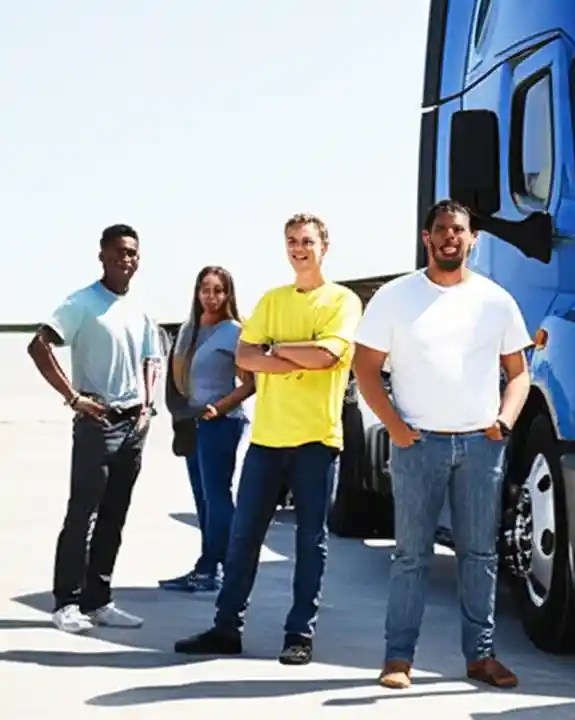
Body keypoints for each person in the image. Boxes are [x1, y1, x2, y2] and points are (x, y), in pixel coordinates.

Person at [353, 199, 531, 690]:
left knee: (480, 556)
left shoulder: (496, 301)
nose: (450, 237)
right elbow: (365, 370)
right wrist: (396, 427)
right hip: (417, 447)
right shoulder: (394, 297)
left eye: (459, 230)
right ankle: (398, 660)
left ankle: (481, 657)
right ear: (427, 238)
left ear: (473, 239)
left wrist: (504, 420)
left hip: (481, 445)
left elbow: (518, 374)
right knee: (411, 555)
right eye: (442, 230)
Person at [174, 213, 362, 665]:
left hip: (316, 441)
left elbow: (328, 355)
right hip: (267, 440)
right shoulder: (271, 301)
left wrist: (274, 352)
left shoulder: (342, 300)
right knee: (243, 538)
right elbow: (244, 355)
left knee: (309, 542)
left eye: (308, 241)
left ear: (325, 246)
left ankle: (299, 634)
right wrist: (292, 353)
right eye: (292, 241)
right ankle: (225, 628)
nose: (299, 249)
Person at [26, 223, 163, 633]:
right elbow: (39, 344)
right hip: (96, 423)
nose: (127, 259)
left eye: (133, 252)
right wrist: (73, 398)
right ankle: (66, 603)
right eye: (120, 251)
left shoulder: (139, 307)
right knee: (82, 513)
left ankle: (98, 600)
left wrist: (148, 406)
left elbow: (151, 359)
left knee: (114, 515)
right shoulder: (82, 303)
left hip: (133, 423)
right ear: (102, 255)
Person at [159, 266, 255, 593]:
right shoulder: (188, 329)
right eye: (205, 289)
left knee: (217, 498)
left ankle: (227, 570)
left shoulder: (234, 332)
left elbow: (250, 382)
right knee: (202, 499)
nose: (211, 297)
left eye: (218, 290)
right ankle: (206, 566)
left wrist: (222, 407)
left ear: (228, 295)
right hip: (191, 423)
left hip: (221, 424)